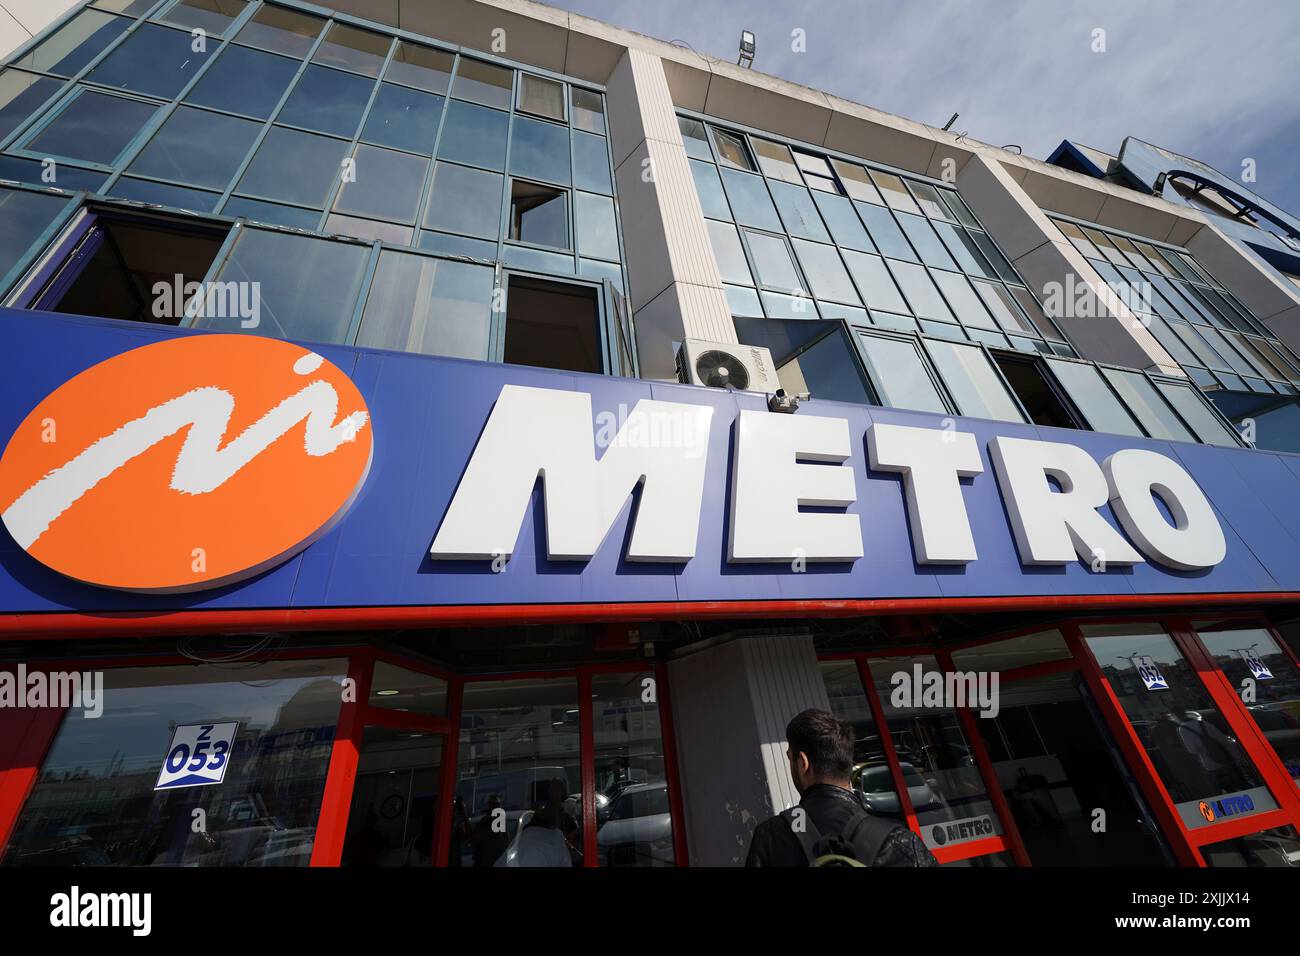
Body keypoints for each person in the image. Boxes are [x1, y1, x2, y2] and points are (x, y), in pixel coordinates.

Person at [746, 709, 938, 867]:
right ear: (847, 761)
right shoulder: (901, 841)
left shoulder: (770, 838)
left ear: (803, 763)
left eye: (790, 758)